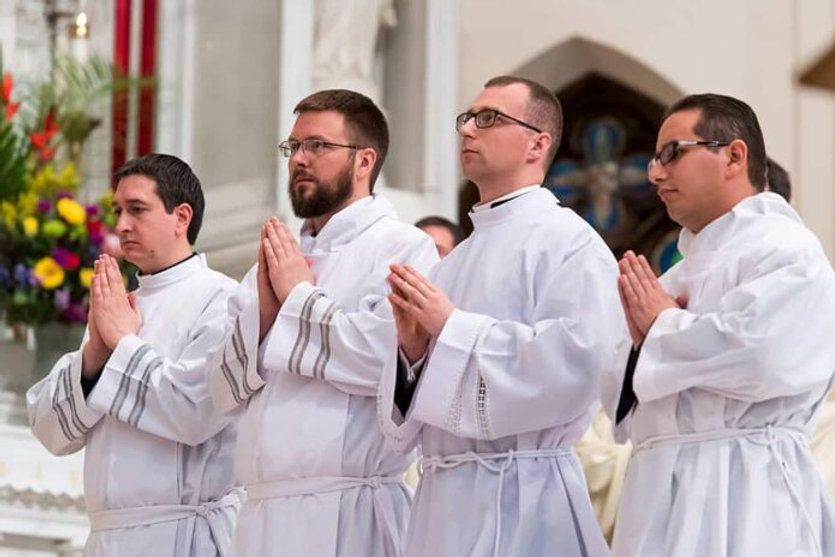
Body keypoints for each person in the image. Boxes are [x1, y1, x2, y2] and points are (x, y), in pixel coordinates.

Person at [378, 75, 622, 556]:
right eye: (467, 118)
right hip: (442, 505)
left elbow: (581, 363)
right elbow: (407, 422)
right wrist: (412, 353)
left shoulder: (569, 242)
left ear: (538, 143)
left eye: (488, 118)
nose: (467, 130)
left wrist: (453, 328)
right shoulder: (453, 262)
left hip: (525, 495)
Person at [207, 89, 437, 556]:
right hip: (261, 514)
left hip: (349, 511)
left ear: (364, 160)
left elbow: (381, 362)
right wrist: (264, 317)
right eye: (294, 146)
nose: (299, 159)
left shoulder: (403, 249)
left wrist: (297, 297)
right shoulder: (272, 262)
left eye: (317, 145)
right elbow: (221, 392)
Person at [606, 93, 835, 556]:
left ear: (734, 156)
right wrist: (641, 347)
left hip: (746, 489)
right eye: (654, 159)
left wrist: (662, 328)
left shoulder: (788, 250)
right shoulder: (673, 276)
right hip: (656, 493)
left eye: (672, 153)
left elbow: (764, 356)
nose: (655, 173)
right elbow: (617, 387)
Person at [27, 154, 241, 556]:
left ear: (181, 217)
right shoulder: (118, 304)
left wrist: (123, 343)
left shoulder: (223, 299)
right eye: (118, 211)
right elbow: (52, 432)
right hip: (107, 536)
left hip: (182, 535)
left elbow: (195, 412)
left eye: (137, 210)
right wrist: (96, 351)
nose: (122, 225)